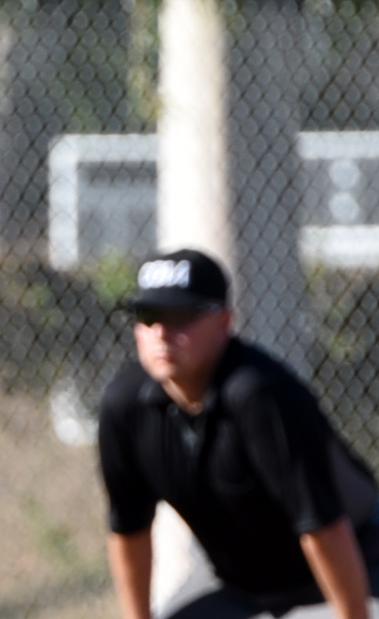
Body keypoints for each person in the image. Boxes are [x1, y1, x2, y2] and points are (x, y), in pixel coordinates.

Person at [99, 248, 379, 619]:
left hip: (357, 566)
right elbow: (129, 528)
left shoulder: (259, 394)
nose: (162, 332)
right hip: (240, 587)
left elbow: (324, 528)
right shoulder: (125, 406)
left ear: (224, 322)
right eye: (148, 316)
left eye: (181, 316)